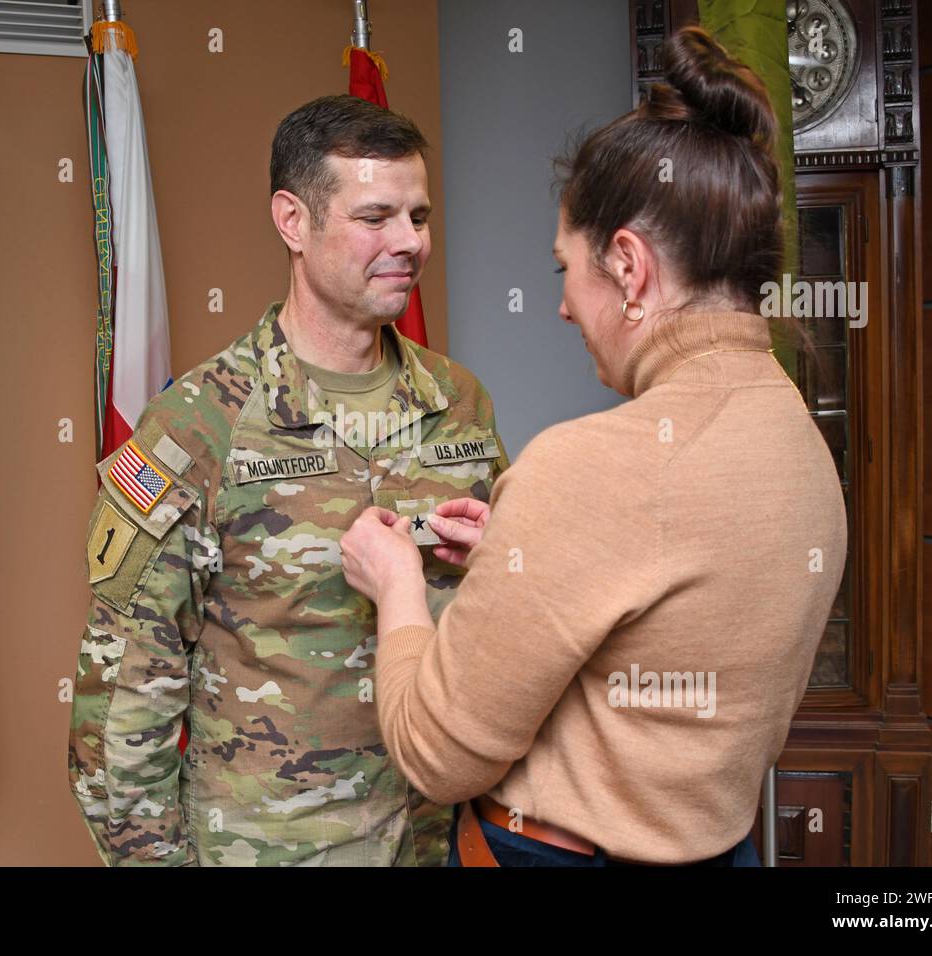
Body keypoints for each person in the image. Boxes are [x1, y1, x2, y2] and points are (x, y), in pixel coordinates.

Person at [340, 26, 848, 867]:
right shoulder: (801, 439)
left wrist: (396, 587)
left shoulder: (592, 465)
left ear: (629, 266)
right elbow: (665, 620)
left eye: (563, 271)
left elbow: (437, 752)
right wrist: (521, 562)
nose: (566, 308)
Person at [67, 94, 508, 866]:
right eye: (376, 217)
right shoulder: (197, 425)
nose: (410, 243)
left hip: (431, 843)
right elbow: (125, 695)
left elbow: (504, 621)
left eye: (419, 216)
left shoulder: (458, 405)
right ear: (293, 221)